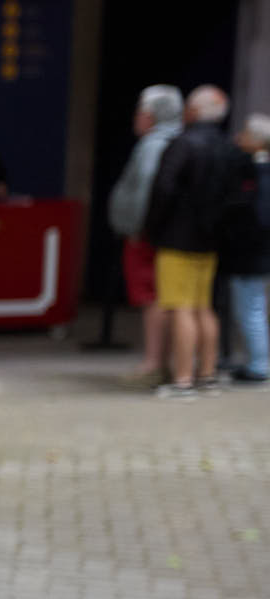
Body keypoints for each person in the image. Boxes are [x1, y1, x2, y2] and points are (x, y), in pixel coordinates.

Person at [143, 85, 235, 398]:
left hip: (178, 239)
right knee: (203, 308)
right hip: (210, 240)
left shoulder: (182, 144)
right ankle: (206, 375)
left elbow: (163, 189)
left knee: (181, 308)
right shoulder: (227, 146)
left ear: (192, 111)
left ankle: (182, 379)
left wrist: (152, 227)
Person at [108, 85, 183, 387]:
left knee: (152, 297)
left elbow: (147, 188)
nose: (136, 117)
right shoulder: (173, 142)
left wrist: (138, 225)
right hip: (162, 233)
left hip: (146, 235)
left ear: (152, 116)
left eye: (141, 111)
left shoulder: (153, 145)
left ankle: (154, 362)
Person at [219, 113, 270, 386]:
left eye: (246, 135)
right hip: (255, 253)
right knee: (253, 308)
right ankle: (257, 362)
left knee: (250, 309)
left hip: (252, 254)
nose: (239, 139)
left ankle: (259, 365)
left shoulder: (258, 173)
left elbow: (260, 217)